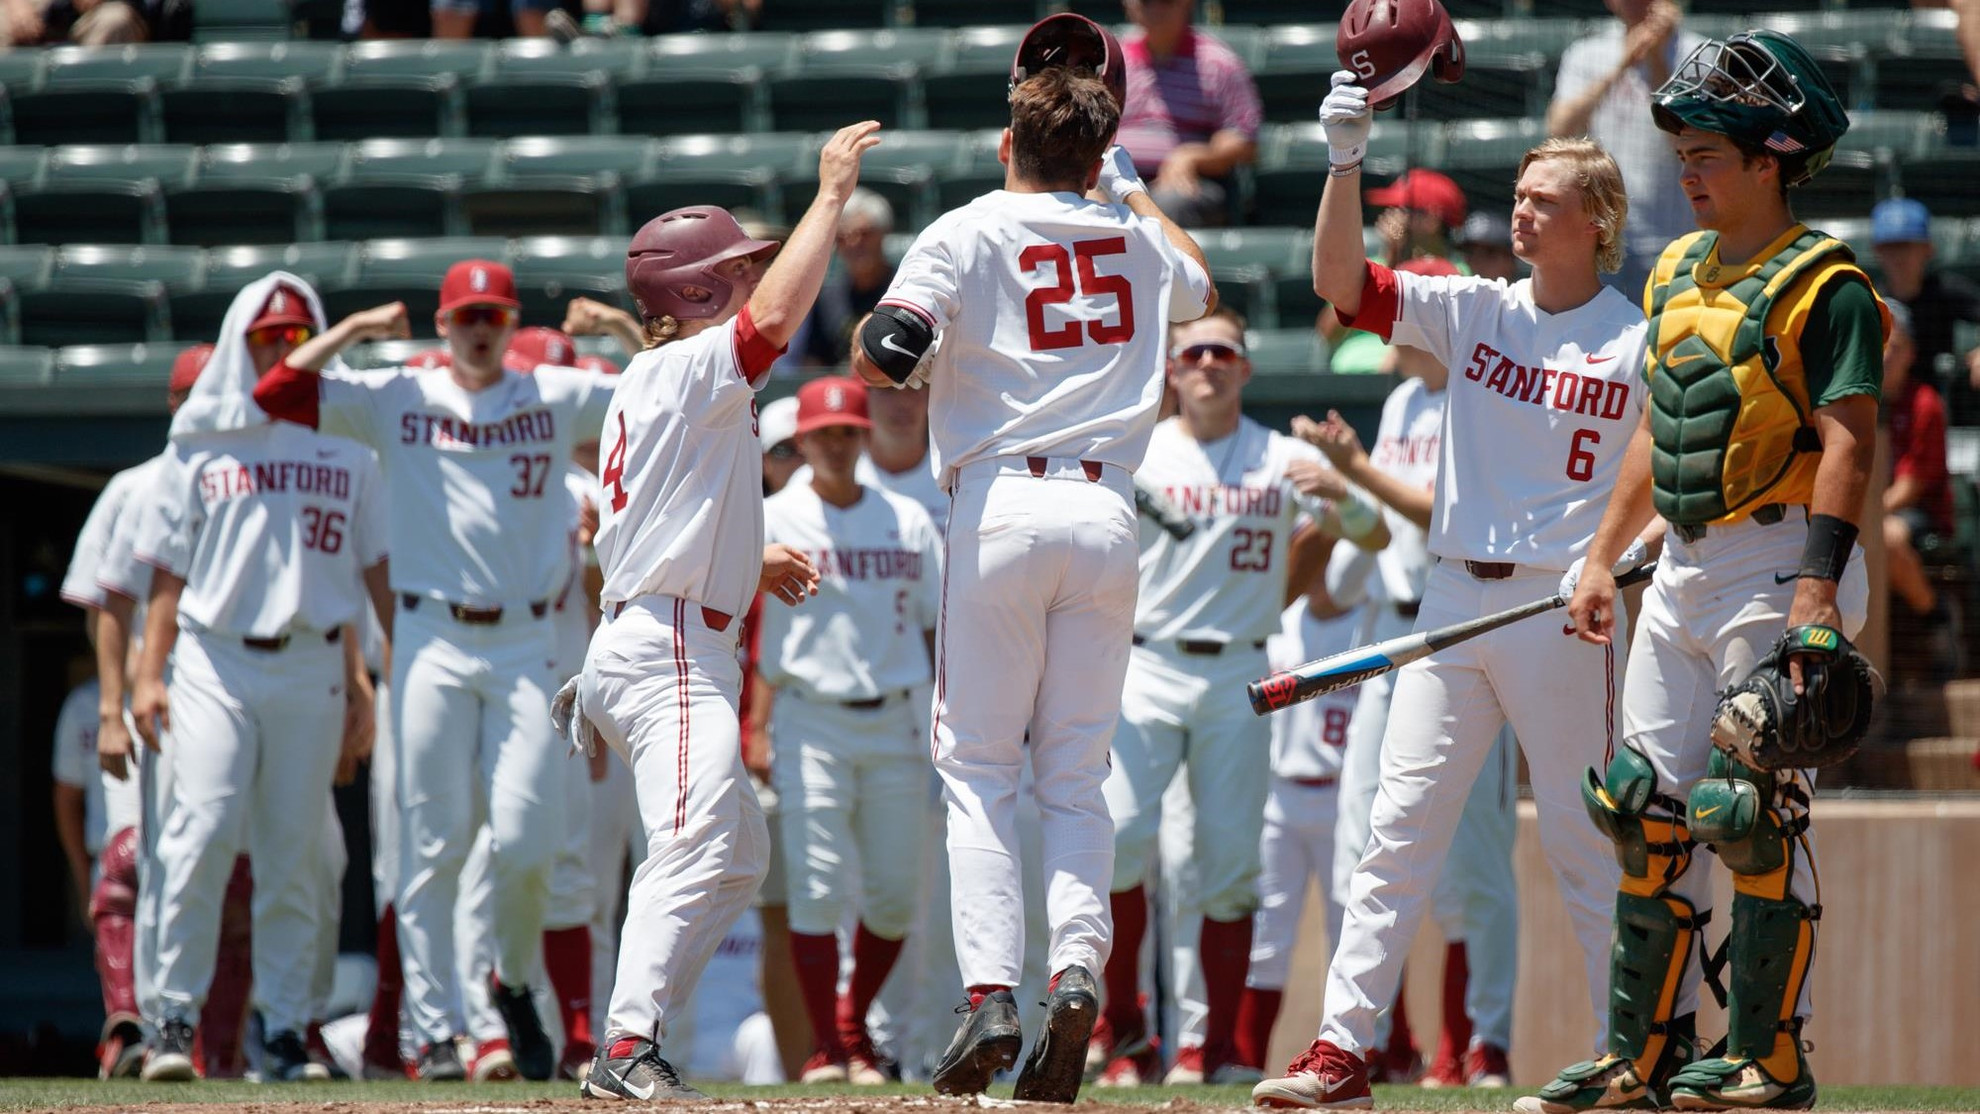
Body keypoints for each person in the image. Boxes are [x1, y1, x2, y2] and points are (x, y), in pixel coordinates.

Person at [1250, 73, 1650, 1109]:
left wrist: (1616, 555)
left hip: (1562, 612)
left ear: (1597, 220)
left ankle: (1639, 1052)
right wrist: (1345, 159)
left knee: (1582, 840)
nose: (1519, 209)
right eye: (1518, 193)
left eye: (1543, 197)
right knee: (1397, 828)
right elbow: (1343, 284)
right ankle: (1342, 1052)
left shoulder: (1635, 338)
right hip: (1453, 603)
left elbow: (1673, 472)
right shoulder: (1476, 309)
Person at [1519, 30, 1884, 1113]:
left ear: (1770, 161)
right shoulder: (1675, 267)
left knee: (1750, 807)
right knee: (1642, 809)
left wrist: (1819, 593)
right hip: (1679, 563)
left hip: (1781, 562)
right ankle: (1644, 1053)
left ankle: (1774, 1055)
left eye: (1709, 154)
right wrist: (1601, 555)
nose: (1686, 170)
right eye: (1683, 151)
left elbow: (1850, 438)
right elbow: (1653, 430)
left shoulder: (1831, 281)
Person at [849, 39, 1216, 1094]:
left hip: (1001, 501)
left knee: (975, 768)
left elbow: (891, 350)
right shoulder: (1137, 241)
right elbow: (1197, 285)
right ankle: (1076, 968)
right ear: (1100, 151)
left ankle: (988, 996)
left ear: (1010, 140)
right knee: (1075, 773)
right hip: (1106, 508)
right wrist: (1133, 194)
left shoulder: (965, 227)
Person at [249, 259, 620, 1082]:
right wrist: (347, 334)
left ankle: (514, 978)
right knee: (433, 844)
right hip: (429, 638)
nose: (480, 327)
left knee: (527, 841)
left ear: (510, 319)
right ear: (443, 323)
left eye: (494, 313)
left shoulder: (547, 393)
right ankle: (440, 1031)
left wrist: (624, 333)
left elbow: (661, 398)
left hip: (526, 642)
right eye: (465, 315)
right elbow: (274, 394)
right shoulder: (399, 394)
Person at [568, 124, 879, 1101]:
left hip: (659, 630)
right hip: (666, 642)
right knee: (699, 838)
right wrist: (831, 196)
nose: (754, 274)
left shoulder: (662, 378)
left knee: (739, 852)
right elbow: (776, 322)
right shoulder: (689, 365)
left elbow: (668, 512)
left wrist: (750, 557)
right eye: (738, 264)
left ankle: (636, 1034)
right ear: (696, 290)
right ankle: (626, 1045)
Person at [1091, 307, 1387, 1087]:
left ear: (1246, 369)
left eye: (1225, 352)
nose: (1211, 365)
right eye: (1196, 353)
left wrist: (1343, 491)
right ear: (1172, 370)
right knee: (1119, 837)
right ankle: (1123, 1034)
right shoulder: (1138, 451)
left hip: (1240, 673)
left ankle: (1211, 1046)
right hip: (1146, 663)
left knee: (1225, 865)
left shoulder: (1280, 456)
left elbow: (1376, 536)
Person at [127, 275, 392, 1084]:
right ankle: (172, 1019)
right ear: (243, 343)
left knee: (294, 855)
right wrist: (146, 673)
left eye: (293, 334)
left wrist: (370, 680)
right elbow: (166, 576)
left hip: (312, 658)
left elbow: (366, 575)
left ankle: (285, 1028)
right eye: (267, 336)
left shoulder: (348, 439)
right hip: (213, 657)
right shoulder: (202, 438)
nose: (281, 347)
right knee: (198, 832)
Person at [1297, 286, 1523, 1093]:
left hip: (1467, 634)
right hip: (1390, 634)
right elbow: (1384, 528)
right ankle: (1378, 1041)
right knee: (1366, 842)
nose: (1388, 332)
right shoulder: (1398, 402)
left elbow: (1442, 520)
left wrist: (1354, 472)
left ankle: (1480, 1046)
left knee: (1477, 867)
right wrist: (1344, 505)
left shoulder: (1482, 394)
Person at [755, 375, 942, 1084]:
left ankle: (851, 1024)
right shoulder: (770, 517)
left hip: (895, 714)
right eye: (823, 433)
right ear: (800, 440)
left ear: (864, 436)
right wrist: (757, 720)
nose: (835, 443)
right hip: (810, 718)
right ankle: (827, 1051)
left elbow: (932, 627)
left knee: (896, 893)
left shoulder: (906, 518)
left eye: (847, 431)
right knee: (817, 888)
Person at [59, 343, 211, 1081]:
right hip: (162, 695)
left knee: (232, 867)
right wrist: (113, 705)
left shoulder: (250, 474)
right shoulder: (135, 486)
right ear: (175, 403)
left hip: (238, 683)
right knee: (143, 860)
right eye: (194, 394)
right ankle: (145, 1025)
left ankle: (236, 1036)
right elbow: (105, 604)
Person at [1235, 547, 1364, 1081]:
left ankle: (1371, 1053)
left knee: (1352, 932)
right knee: (1266, 935)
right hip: (1279, 795)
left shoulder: (1369, 626)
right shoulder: (1280, 624)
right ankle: (1241, 1061)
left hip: (1343, 795)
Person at [1549, 0, 1705, 296]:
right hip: (1605, 237)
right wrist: (1622, 64)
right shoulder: (1586, 53)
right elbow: (1560, 128)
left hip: (1677, 237)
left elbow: (1687, 140)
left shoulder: (1698, 53)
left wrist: (1657, 59)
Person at [1115, 0, 1262, 229]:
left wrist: (1192, 156)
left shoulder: (1218, 63)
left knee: (1170, 204)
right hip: (1114, 179)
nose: (1156, 8)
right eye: (1145, 2)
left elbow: (1242, 141)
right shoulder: (1114, 61)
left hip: (1187, 184)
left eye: (1166, 2)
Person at [1866, 198, 1980, 424]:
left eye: (1907, 246)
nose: (1899, 257)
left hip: (1939, 402)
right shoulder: (1869, 299)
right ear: (1876, 251)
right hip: (1880, 408)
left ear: (1928, 248)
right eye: (1890, 247)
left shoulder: (1945, 290)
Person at [1881, 300, 1955, 629]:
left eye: (1894, 347)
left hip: (1918, 512)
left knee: (1884, 536)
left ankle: (1935, 615)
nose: (1884, 356)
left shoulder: (1925, 403)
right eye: (1877, 345)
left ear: (1911, 353)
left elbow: (1911, 486)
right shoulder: (1853, 403)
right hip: (1870, 508)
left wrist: (1860, 513)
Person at [799, 189, 898, 366]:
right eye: (843, 238)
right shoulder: (826, 297)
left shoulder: (905, 288)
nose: (854, 244)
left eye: (864, 234)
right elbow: (813, 362)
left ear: (884, 233)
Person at [1367, 169, 1468, 267]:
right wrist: (1393, 252)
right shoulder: (1374, 264)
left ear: (1432, 219)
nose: (1392, 217)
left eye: (1403, 210)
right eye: (1391, 209)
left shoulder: (1462, 272)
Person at [1456, 212, 1519, 283]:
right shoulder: (1456, 290)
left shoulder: (1526, 292)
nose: (1477, 261)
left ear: (1510, 259)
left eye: (1489, 252)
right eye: (1470, 252)